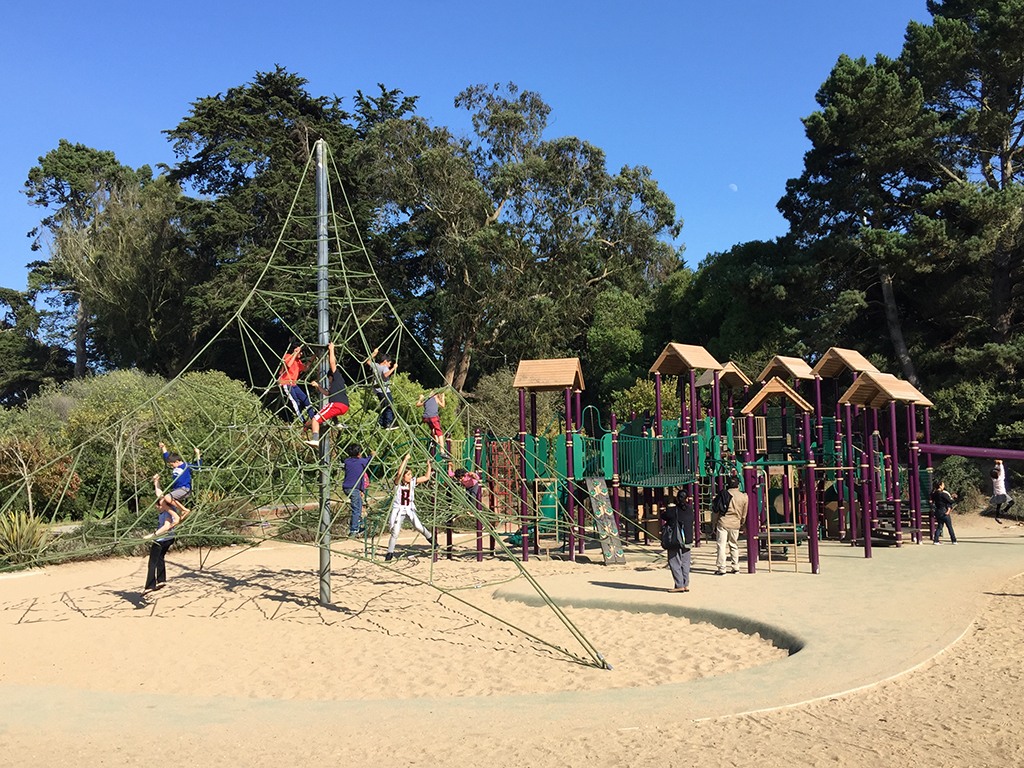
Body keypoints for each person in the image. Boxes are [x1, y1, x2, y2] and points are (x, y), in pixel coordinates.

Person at [385, 453, 434, 562]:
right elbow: (399, 473)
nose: (410, 476)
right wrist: (405, 460)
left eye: (411, 474)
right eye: (408, 474)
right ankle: (390, 553)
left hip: (409, 509)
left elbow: (426, 477)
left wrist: (428, 466)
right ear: (403, 476)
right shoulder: (397, 484)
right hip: (399, 510)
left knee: (419, 526)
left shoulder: (412, 482)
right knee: (395, 532)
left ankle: (431, 540)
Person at [305, 342, 349, 445]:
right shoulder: (338, 384)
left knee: (316, 418)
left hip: (337, 404)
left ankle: (315, 439)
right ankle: (337, 423)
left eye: (329, 379)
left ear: (331, 376)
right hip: (344, 406)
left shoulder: (336, 376)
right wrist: (318, 386)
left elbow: (332, 363)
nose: (329, 381)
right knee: (329, 408)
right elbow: (327, 393)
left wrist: (331, 349)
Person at [154, 442, 201, 519]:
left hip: (184, 489)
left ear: (177, 462)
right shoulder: (175, 465)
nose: (172, 467)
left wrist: (198, 454)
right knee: (162, 502)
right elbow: (167, 456)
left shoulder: (186, 466)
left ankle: (184, 510)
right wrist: (163, 447)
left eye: (172, 465)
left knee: (167, 497)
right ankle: (176, 517)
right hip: (176, 490)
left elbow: (198, 467)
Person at [279, 341, 316, 429]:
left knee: (306, 400)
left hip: (294, 384)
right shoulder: (288, 356)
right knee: (296, 402)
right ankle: (303, 422)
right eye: (300, 352)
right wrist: (295, 353)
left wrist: (311, 359)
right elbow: (288, 364)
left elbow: (304, 369)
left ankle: (314, 418)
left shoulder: (298, 361)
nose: (301, 354)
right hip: (286, 383)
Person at [661, 492, 693, 593]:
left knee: (674, 561)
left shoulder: (673, 510)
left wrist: (667, 508)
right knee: (685, 562)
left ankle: (679, 584)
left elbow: (664, 516)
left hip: (676, 539)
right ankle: (686, 584)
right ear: (687, 499)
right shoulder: (690, 509)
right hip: (687, 538)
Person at [715, 476, 747, 575]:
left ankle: (722, 568)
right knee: (734, 545)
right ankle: (735, 566)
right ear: (738, 485)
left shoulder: (723, 494)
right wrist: (743, 523)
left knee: (721, 546)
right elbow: (744, 513)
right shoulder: (744, 496)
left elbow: (716, 510)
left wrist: (714, 523)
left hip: (723, 522)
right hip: (735, 523)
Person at [342, 444, 373, 535]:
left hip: (346, 487)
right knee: (356, 508)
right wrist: (372, 454)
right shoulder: (361, 462)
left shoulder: (347, 461)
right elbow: (369, 459)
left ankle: (357, 522)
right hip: (353, 488)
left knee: (358, 505)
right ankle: (354, 529)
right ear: (359, 453)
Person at [366, 348, 398, 430]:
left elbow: (368, 361)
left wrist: (374, 354)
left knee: (384, 407)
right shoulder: (384, 367)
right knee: (389, 407)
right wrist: (393, 368)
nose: (389, 365)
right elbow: (386, 375)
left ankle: (380, 423)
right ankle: (387, 423)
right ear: (385, 361)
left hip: (378, 391)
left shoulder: (376, 366)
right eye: (389, 363)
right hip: (384, 391)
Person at [416, 390, 446, 454]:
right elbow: (443, 405)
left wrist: (420, 399)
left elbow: (418, 405)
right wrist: (443, 398)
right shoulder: (436, 398)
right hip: (433, 417)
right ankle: (442, 450)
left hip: (426, 417)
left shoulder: (426, 400)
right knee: (440, 433)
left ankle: (436, 439)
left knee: (432, 427)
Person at [931, 480, 958, 544]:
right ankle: (954, 540)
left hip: (937, 511)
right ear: (940, 486)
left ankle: (936, 540)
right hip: (944, 510)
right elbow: (950, 501)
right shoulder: (942, 494)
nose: (944, 486)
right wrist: (953, 498)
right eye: (943, 485)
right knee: (949, 526)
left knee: (939, 526)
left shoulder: (934, 494)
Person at [990, 459, 1015, 523]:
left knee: (998, 506)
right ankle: (1004, 511)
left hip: (997, 494)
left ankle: (997, 517)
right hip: (1002, 494)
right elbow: (1002, 472)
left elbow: (994, 472)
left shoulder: (993, 479)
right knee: (1012, 502)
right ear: (999, 474)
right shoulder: (1000, 479)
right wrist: (1001, 464)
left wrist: (997, 464)